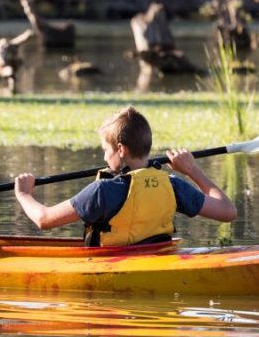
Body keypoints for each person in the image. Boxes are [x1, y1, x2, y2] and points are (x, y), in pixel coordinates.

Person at [13, 105, 236, 245]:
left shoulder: (102, 191)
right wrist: (192, 170)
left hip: (111, 267)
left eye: (105, 150)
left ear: (120, 149)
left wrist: (24, 194)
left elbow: (44, 219)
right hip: (157, 261)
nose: (104, 157)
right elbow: (228, 211)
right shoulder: (172, 185)